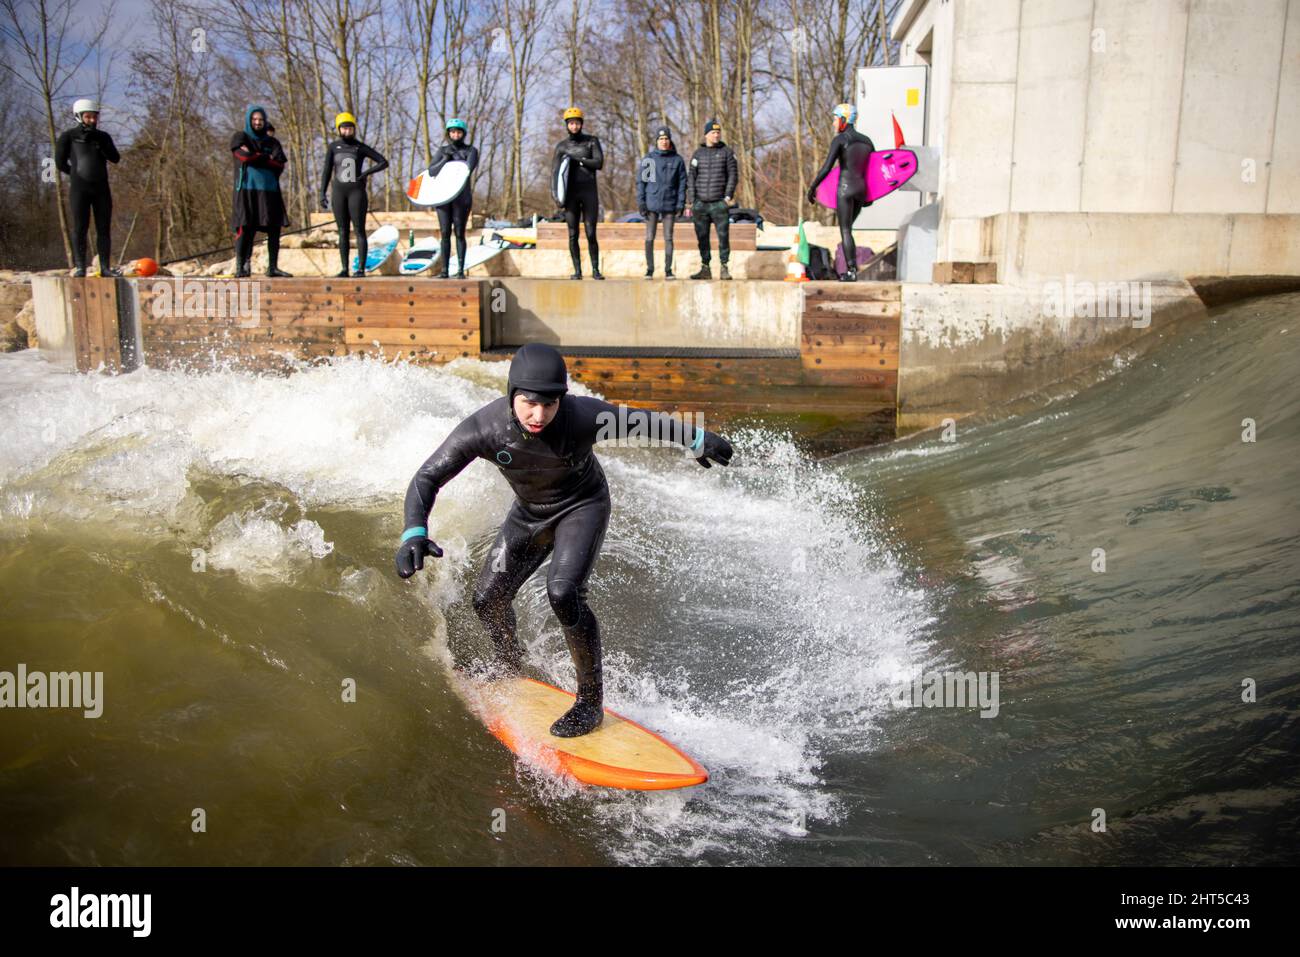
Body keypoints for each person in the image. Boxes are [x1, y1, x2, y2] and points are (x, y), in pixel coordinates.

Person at [395, 343, 734, 737]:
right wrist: (414, 532)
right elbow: (426, 478)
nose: (539, 415)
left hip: (582, 507)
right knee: (487, 598)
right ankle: (509, 667)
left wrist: (696, 439)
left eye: (550, 404)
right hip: (528, 515)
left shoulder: (583, 416)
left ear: (562, 400)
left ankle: (590, 704)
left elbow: (643, 422)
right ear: (511, 394)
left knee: (563, 592)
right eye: (529, 403)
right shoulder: (484, 429)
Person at [807, 103, 875, 282]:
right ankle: (851, 268)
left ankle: (852, 271)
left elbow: (827, 168)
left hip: (845, 189)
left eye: (835, 119)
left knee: (845, 230)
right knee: (848, 230)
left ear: (844, 120)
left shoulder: (840, 140)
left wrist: (813, 187)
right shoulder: (867, 141)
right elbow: (874, 170)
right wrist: (871, 195)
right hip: (861, 190)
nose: (833, 123)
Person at [55, 98, 121, 278]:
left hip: (101, 189)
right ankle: (80, 267)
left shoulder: (103, 136)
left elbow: (115, 158)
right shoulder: (68, 136)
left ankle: (105, 267)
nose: (92, 120)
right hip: (79, 190)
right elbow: (60, 163)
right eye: (88, 117)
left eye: (94, 117)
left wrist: (102, 145)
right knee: (80, 227)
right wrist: (76, 176)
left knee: (103, 228)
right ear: (79, 116)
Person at [320, 112, 389, 278]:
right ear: (339, 129)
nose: (347, 131)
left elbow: (383, 161)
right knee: (342, 231)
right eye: (344, 128)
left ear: (354, 129)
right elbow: (327, 171)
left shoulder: (359, 147)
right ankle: (344, 268)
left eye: (350, 128)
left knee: (359, 230)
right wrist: (322, 193)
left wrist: (365, 174)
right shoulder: (333, 147)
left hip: (356, 192)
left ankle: (360, 269)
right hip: (338, 191)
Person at [230, 104, 290, 278]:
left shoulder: (273, 142)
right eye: (254, 119)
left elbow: (279, 164)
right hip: (247, 190)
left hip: (269, 191)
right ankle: (241, 267)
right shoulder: (240, 137)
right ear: (249, 120)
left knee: (274, 229)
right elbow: (243, 156)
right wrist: (265, 157)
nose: (258, 122)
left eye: (261, 120)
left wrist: (255, 157)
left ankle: (272, 267)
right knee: (245, 227)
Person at [551, 107, 604, 280]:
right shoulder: (561, 147)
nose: (574, 126)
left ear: (581, 124)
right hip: (570, 195)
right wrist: (555, 196)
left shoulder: (591, 142)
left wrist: (579, 161)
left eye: (577, 123)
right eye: (571, 123)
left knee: (590, 232)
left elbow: (598, 163)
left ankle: (595, 269)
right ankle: (577, 270)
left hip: (589, 192)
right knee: (573, 233)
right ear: (567, 125)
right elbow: (554, 173)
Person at [686, 118, 738, 281]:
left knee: (723, 237)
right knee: (702, 237)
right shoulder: (698, 154)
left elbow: (733, 175)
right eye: (713, 133)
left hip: (719, 203)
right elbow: (691, 177)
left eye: (718, 132)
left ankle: (724, 267)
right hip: (700, 204)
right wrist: (692, 199)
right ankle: (705, 267)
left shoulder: (727, 152)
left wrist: (727, 197)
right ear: (706, 135)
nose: (716, 135)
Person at [428, 118, 479, 279]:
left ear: (463, 134)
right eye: (452, 132)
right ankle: (444, 270)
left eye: (458, 132)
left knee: (459, 232)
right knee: (444, 232)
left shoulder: (471, 150)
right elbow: (431, 171)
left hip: (461, 197)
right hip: (443, 198)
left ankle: (460, 270)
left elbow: (468, 168)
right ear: (448, 134)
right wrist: (445, 159)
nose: (455, 135)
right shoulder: (443, 151)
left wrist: (455, 159)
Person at [636, 126, 687, 279]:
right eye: (661, 139)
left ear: (670, 141)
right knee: (649, 237)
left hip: (670, 205)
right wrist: (641, 202)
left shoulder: (677, 160)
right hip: (651, 205)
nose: (664, 142)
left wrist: (680, 204)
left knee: (669, 238)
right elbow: (642, 182)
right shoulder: (649, 159)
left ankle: (668, 270)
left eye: (666, 139)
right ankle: (649, 269)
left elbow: (682, 184)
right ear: (656, 141)